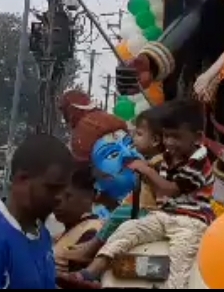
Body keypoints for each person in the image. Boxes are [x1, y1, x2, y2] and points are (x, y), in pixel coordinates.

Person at [75, 99, 214, 288]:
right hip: (165, 215)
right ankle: (90, 272)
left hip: (190, 222)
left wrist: (147, 171)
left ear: (197, 138)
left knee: (179, 265)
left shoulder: (199, 162)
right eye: (167, 136)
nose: (170, 143)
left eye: (176, 137)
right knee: (127, 228)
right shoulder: (166, 158)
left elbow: (170, 190)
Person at [0, 133, 73, 289]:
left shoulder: (42, 234)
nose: (59, 197)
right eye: (52, 188)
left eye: (63, 190)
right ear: (22, 179)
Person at [64, 104, 169, 265]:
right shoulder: (94, 224)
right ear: (94, 180)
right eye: (113, 153)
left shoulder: (160, 167)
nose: (129, 154)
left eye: (130, 144)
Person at [52, 165, 103, 275]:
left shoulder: (91, 231)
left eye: (68, 196)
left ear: (89, 197)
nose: (57, 202)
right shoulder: (66, 232)